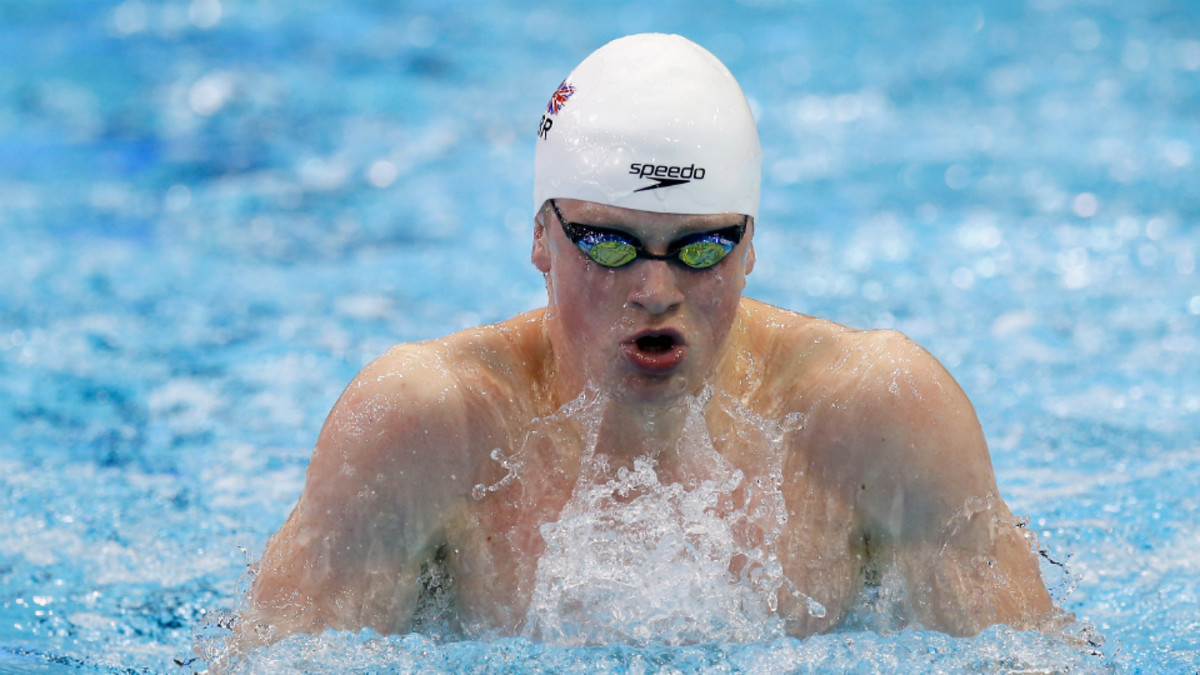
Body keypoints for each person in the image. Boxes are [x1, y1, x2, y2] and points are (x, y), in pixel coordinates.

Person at [241, 33, 1062, 646]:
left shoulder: (876, 414)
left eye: (701, 247)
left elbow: (1032, 658)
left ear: (749, 246)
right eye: (609, 244)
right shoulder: (427, 423)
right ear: (540, 237)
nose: (656, 290)